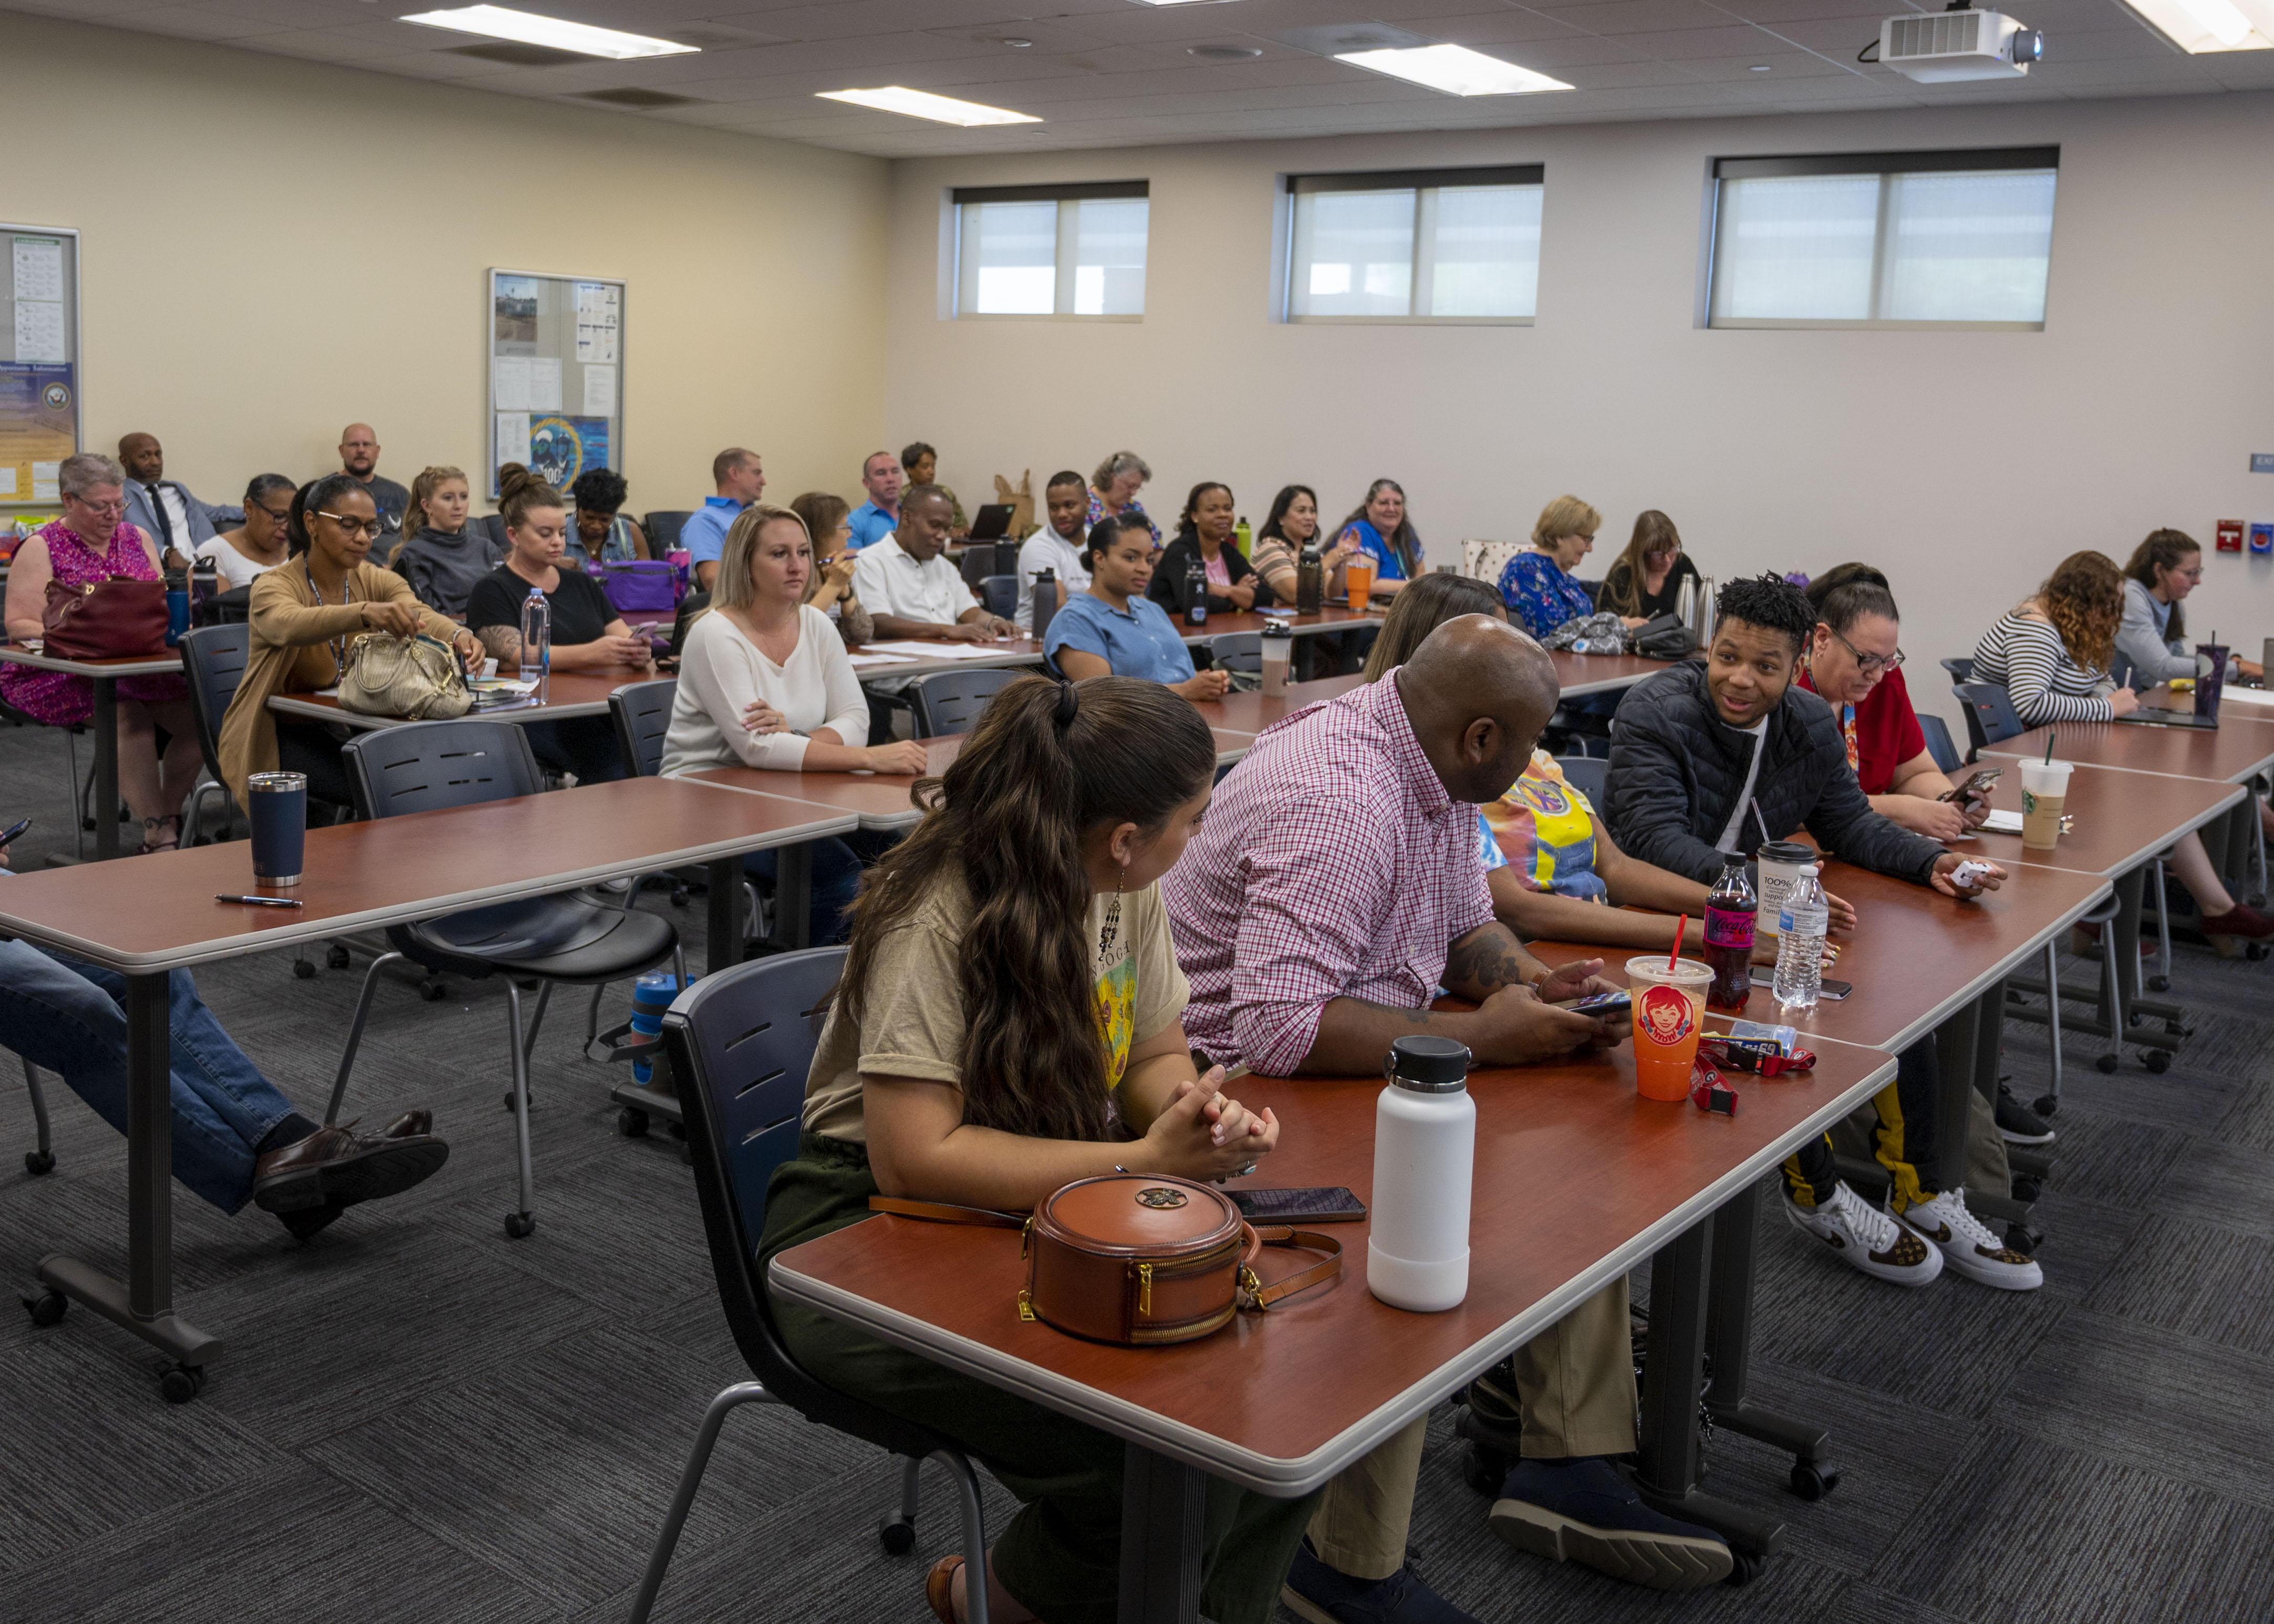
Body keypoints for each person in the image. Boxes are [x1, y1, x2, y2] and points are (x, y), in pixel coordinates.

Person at [1165, 614, 1733, 1610]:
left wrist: (1532, 990)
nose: (1533, 764)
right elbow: (1278, 1025)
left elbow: (1461, 918)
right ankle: (1339, 1563)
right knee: (1427, 1216)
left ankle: (1565, 1463)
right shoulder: (1340, 796)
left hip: (1360, 1053)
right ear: (1480, 736)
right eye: (1524, 741)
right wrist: (1481, 1038)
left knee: (1563, 1169)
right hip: (1239, 1096)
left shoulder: (1420, 757)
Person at [759, 674, 1309, 1624]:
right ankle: (991, 1600)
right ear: (1123, 837)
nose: (1201, 837)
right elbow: (913, 1160)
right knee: (1151, 1462)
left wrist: (1188, 1115)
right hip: (859, 1235)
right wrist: (1142, 1160)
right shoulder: (939, 909)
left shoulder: (1119, 884)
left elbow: (1150, 1047)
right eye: (1194, 817)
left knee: (1265, 1430)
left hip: (1036, 1189)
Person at [1605, 574, 2041, 1290]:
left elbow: (1850, 824)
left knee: (1890, 1007)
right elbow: (1649, 841)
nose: (1739, 680)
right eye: (1726, 656)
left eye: (1764, 666)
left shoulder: (1807, 723)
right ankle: (1818, 1195)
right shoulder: (1657, 709)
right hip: (1658, 931)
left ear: (1798, 659)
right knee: (1785, 1027)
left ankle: (1925, 1194)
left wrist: (1933, 863)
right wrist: (1768, 889)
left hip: (1755, 921)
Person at [1360, 575, 1781, 962]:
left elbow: (1613, 868)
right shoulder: (1447, 777)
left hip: (1593, 946)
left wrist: (1736, 907)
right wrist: (1709, 932)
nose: (1517, 663)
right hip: (1533, 954)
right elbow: (1517, 911)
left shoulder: (1529, 755)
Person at [1972, 551, 2274, 942]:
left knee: (2159, 798)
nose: (2112, 613)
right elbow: (2029, 703)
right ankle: (2205, 909)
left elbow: (2096, 679)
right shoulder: (2037, 629)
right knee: (2149, 800)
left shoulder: (2069, 626)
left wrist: (2105, 697)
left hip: (2063, 743)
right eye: (2107, 605)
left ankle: (2209, 908)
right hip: (2029, 760)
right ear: (2081, 601)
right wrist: (2106, 707)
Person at [661, 503, 920, 942]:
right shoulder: (714, 633)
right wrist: (869, 758)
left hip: (787, 786)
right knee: (838, 878)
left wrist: (796, 739)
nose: (797, 565)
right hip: (706, 797)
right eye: (779, 554)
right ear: (746, 563)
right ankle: (797, 994)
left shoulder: (817, 624)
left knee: (902, 858)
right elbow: (758, 748)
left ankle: (865, 985)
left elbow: (856, 717)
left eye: (803, 552)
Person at [217, 476, 483, 809]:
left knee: (439, 773)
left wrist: (460, 635)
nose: (362, 538)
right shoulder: (273, 586)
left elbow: (416, 610)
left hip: (354, 724)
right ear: (312, 523)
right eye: (348, 525)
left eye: (371, 528)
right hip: (279, 734)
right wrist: (364, 612)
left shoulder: (372, 578)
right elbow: (288, 624)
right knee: (395, 789)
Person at [1, 453, 203, 853]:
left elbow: (155, 604)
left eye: (119, 503)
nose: (113, 514)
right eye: (100, 506)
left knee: (203, 717)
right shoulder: (43, 547)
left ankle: (167, 812)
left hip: (133, 663)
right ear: (70, 500)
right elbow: (19, 625)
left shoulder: (136, 538)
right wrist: (83, 637)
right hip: (58, 670)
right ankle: (158, 833)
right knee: (125, 710)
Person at [467, 469, 651, 785]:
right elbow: (517, 656)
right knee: (622, 769)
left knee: (654, 754)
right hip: (538, 717)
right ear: (513, 536)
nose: (557, 542)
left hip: (599, 708)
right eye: (544, 534)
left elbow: (621, 635)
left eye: (561, 533)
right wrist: (594, 653)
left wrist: (636, 650)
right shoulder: (492, 590)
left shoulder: (582, 584)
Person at [1799, 564, 1985, 842]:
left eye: (1887, 660)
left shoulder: (1886, 679)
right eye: (1867, 659)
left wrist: (1948, 802)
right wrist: (1895, 810)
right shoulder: (1787, 690)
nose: (1876, 675)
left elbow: (1914, 772)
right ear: (1823, 638)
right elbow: (1785, 806)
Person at [851, 485, 1017, 740]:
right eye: (935, 526)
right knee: (966, 696)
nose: (941, 536)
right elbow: (878, 623)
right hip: (902, 671)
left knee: (1012, 685)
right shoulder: (871, 561)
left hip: (952, 662)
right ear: (907, 518)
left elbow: (969, 610)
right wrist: (946, 630)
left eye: (946, 530)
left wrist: (993, 621)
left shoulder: (943, 567)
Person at [1046, 514, 1228, 702]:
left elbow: (1185, 676)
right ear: (1099, 558)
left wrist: (1208, 683)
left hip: (1189, 717)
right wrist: (1185, 691)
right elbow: (1104, 699)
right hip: (1133, 728)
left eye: (1149, 560)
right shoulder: (1075, 620)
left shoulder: (1152, 610)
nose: (1144, 569)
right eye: (1131, 558)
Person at [2118, 529, 2263, 688]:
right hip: (2122, 698)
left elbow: (2176, 658)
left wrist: (2225, 664)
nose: (2198, 581)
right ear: (2159, 570)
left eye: (2198, 573)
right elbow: (2164, 668)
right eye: (2190, 573)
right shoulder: (2131, 598)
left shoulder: (2174, 603)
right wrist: (2238, 669)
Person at [389, 464, 502, 616]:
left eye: (464, 497)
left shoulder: (488, 549)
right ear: (427, 506)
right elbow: (428, 616)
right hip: (447, 634)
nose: (458, 506)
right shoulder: (413, 554)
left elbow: (507, 599)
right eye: (448, 498)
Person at [118, 432, 242, 563]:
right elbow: (119, 538)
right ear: (125, 461)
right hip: (157, 570)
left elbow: (218, 512)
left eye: (158, 455)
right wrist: (166, 552)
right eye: (145, 456)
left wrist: (256, 510)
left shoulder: (175, 490)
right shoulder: (119, 496)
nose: (155, 462)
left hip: (204, 566)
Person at [1149, 482, 1266, 620]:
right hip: (1183, 637)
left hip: (1222, 634)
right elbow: (1194, 604)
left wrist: (1225, 590)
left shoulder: (1228, 552)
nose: (1222, 515)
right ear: (1195, 516)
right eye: (1212, 510)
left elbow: (1265, 596)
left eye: (1228, 509)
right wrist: (1238, 597)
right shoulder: (1180, 551)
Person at [1499, 495, 1601, 640]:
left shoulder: (1560, 575)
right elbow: (1551, 634)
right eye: (1586, 539)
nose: (1590, 548)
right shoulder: (1526, 569)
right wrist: (1616, 628)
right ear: (1561, 535)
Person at [788, 490, 874, 646]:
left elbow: (863, 633)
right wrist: (833, 585)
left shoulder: (833, 568)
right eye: (845, 527)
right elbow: (799, 630)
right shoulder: (793, 574)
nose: (849, 535)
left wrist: (845, 594)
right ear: (822, 532)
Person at [1250, 484, 1358, 603]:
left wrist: (1342, 560)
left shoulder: (1309, 552)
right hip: (1276, 621)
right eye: (1301, 511)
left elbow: (1332, 594)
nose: (1309, 517)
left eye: (1313, 511)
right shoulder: (1270, 549)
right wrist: (1329, 560)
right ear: (1281, 517)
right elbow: (1296, 595)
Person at [1014, 470, 1090, 633]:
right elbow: (1058, 608)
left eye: (1069, 506)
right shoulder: (1038, 547)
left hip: (1086, 632)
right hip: (1042, 640)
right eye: (1054, 508)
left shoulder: (1098, 541)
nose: (1061, 514)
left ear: (1087, 504)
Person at [682, 447, 766, 592]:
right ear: (734, 473)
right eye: (756, 473)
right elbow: (713, 581)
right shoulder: (704, 521)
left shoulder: (762, 516)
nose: (763, 481)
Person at [1597, 510, 1700, 627]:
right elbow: (1604, 629)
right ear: (1642, 552)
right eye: (1658, 553)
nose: (1667, 560)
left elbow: (1703, 608)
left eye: (1672, 550)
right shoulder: (1623, 575)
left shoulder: (1682, 564)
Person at [194, 473, 296, 589]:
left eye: (292, 519)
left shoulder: (300, 552)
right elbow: (215, 607)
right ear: (250, 508)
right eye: (279, 516)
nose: (286, 527)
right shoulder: (214, 553)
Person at [1330, 479, 1421, 597]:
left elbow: (1421, 575)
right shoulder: (1359, 532)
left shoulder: (1407, 533)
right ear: (1368, 505)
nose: (1392, 509)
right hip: (1355, 612)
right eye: (1384, 503)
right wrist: (1415, 585)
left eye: (1397, 504)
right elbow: (1367, 585)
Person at [331, 423, 409, 537]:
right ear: (342, 451)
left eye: (367, 445)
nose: (361, 450)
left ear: (377, 451)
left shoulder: (400, 494)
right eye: (354, 445)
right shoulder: (324, 492)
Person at [567, 467, 651, 567]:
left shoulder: (631, 533)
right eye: (590, 518)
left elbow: (647, 576)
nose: (596, 526)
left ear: (615, 514)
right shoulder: (560, 532)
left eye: (605, 520)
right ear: (578, 509)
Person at [901, 441, 969, 538]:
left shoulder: (945, 493)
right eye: (925, 467)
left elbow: (961, 524)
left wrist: (961, 531)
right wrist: (947, 533)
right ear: (910, 469)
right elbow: (905, 530)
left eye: (933, 466)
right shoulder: (902, 497)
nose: (931, 472)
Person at [1087, 450, 1159, 541]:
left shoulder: (1134, 507)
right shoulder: (1083, 504)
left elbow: (1155, 542)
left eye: (1137, 488)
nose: (1134, 493)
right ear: (1111, 478)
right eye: (1130, 486)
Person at [846, 450, 903, 550]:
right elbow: (855, 565)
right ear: (867, 483)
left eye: (895, 471)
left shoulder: (914, 516)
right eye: (881, 473)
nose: (890, 479)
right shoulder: (853, 522)